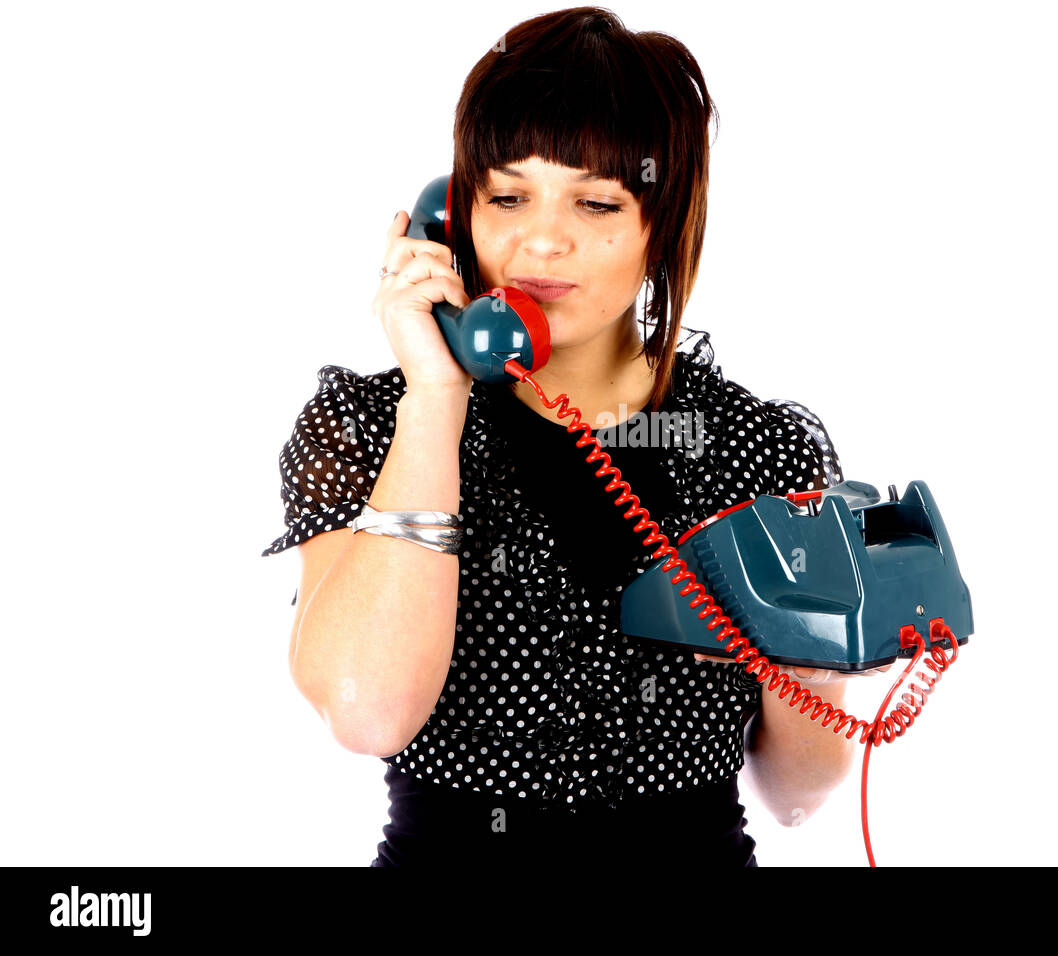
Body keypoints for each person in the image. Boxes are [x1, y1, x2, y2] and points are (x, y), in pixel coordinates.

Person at [262, 6, 868, 869]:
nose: (541, 239)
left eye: (595, 202)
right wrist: (436, 395)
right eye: (506, 196)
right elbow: (366, 714)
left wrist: (814, 649)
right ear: (455, 213)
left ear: (662, 225)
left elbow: (796, 795)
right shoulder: (366, 426)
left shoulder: (757, 450)